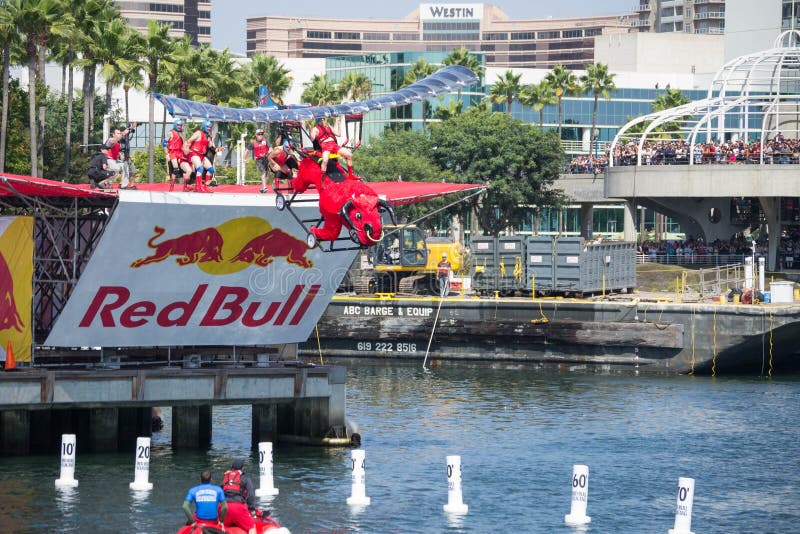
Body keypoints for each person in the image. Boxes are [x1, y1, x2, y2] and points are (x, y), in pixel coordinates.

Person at [221, 459, 256, 534]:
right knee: (252, 528)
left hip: (224, 508)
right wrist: (251, 508)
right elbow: (250, 495)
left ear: (232, 468)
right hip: (238, 507)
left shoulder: (226, 478)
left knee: (220, 526)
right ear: (243, 469)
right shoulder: (245, 479)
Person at [184, 120, 217, 193]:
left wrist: (217, 149)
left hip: (201, 155)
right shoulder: (198, 133)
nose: (209, 128)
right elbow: (189, 140)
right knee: (200, 169)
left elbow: (211, 146)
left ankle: (205, 187)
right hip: (194, 153)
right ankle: (198, 187)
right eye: (207, 127)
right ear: (204, 126)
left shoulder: (208, 136)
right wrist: (186, 148)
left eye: (210, 127)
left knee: (211, 170)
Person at [105, 124, 138, 190]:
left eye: (120, 133)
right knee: (117, 169)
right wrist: (122, 134)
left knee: (126, 166)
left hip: (116, 160)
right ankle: (107, 183)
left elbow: (119, 152)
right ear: (113, 134)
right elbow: (110, 143)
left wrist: (132, 127)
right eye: (118, 133)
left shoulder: (119, 143)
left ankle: (123, 185)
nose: (120, 135)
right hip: (109, 160)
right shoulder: (111, 140)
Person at [167, 119, 194, 189]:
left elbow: (183, 145)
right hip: (173, 152)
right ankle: (172, 185)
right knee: (176, 169)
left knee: (185, 169)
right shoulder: (170, 133)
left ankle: (185, 186)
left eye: (181, 125)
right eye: (178, 125)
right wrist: (167, 154)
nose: (180, 127)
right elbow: (164, 143)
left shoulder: (181, 134)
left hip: (180, 153)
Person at [252, 128, 271, 193]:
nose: (260, 135)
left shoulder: (266, 141)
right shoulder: (253, 143)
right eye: (259, 134)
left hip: (266, 158)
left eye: (261, 134)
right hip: (259, 159)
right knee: (263, 172)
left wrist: (267, 153)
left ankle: (262, 187)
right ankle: (265, 187)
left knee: (268, 174)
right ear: (256, 135)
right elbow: (247, 151)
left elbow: (271, 148)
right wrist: (244, 158)